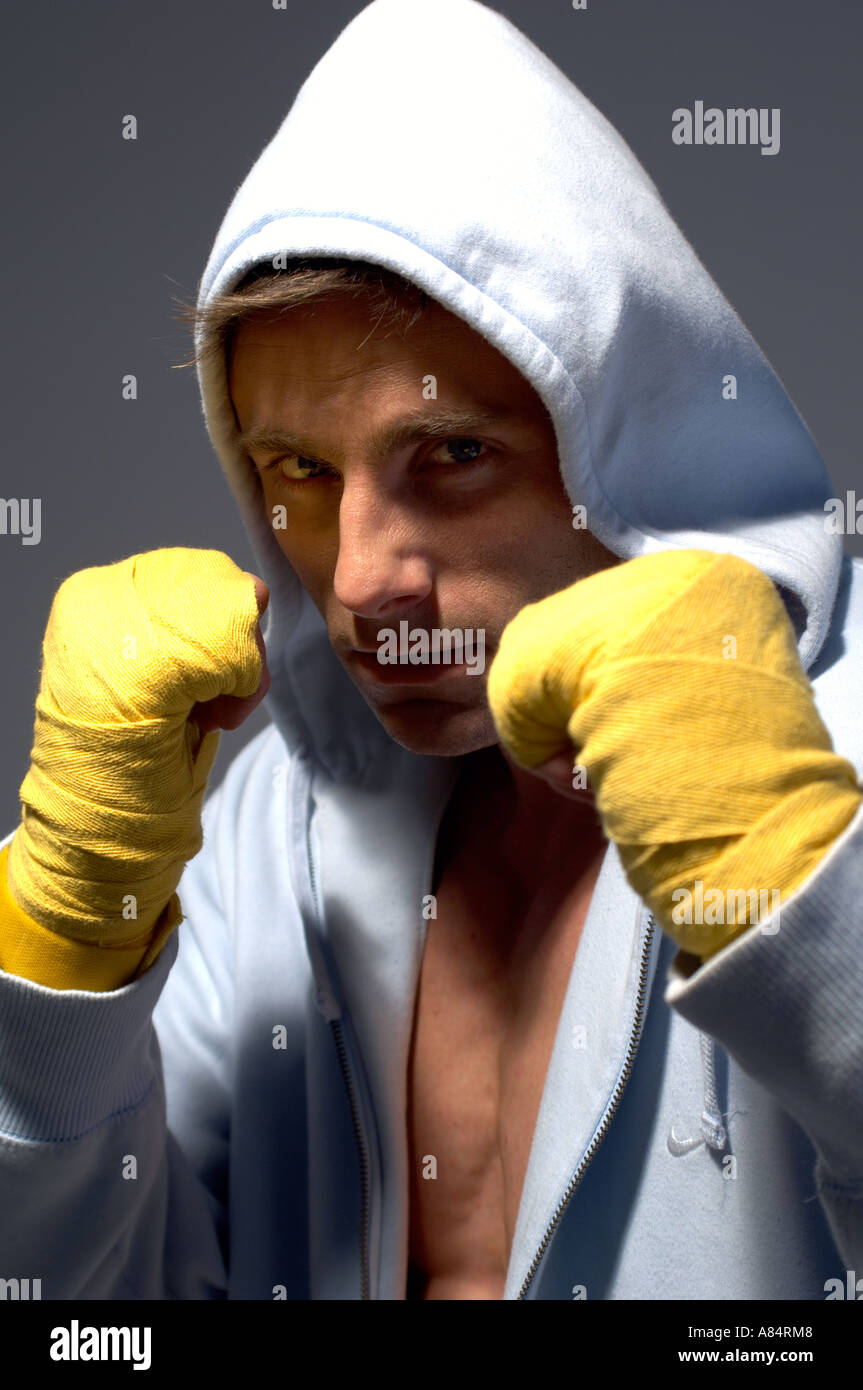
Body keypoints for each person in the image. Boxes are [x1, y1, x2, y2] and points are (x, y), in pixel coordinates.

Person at [0, 0, 861, 1302]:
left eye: (453, 454)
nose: (357, 577)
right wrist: (60, 949)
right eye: (300, 470)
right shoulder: (272, 822)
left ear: (614, 440)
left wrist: (818, 928)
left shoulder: (838, 761)